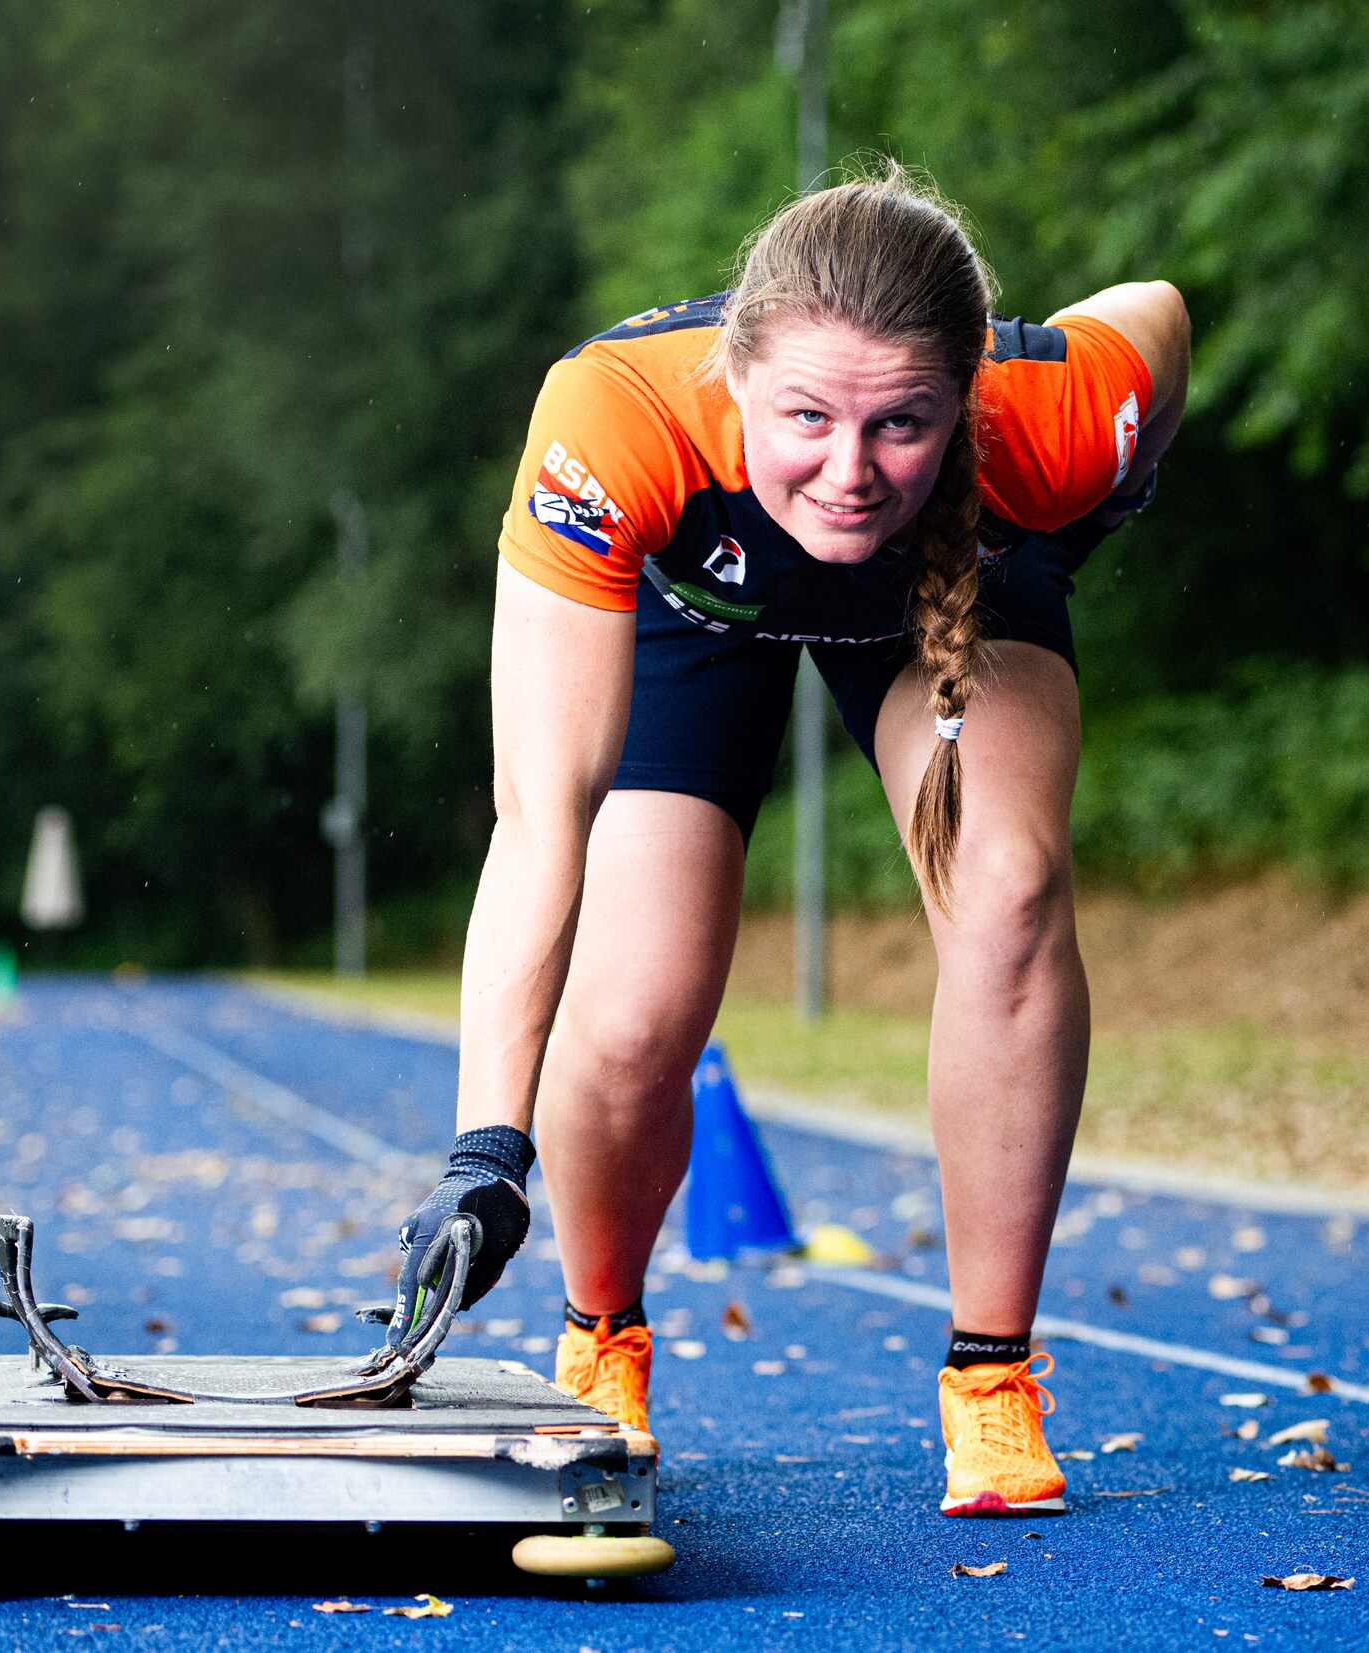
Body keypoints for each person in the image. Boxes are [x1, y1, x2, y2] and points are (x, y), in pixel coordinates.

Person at [386, 161, 1188, 1516]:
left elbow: (1158, 314)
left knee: (1007, 882)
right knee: (640, 1007)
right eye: (806, 417)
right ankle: (602, 1332)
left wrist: (1110, 495)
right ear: (735, 380)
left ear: (966, 396)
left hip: (953, 588)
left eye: (902, 425)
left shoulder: (1051, 418)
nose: (850, 471)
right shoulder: (615, 421)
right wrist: (484, 1149)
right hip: (696, 610)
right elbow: (540, 824)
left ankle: (992, 1377)